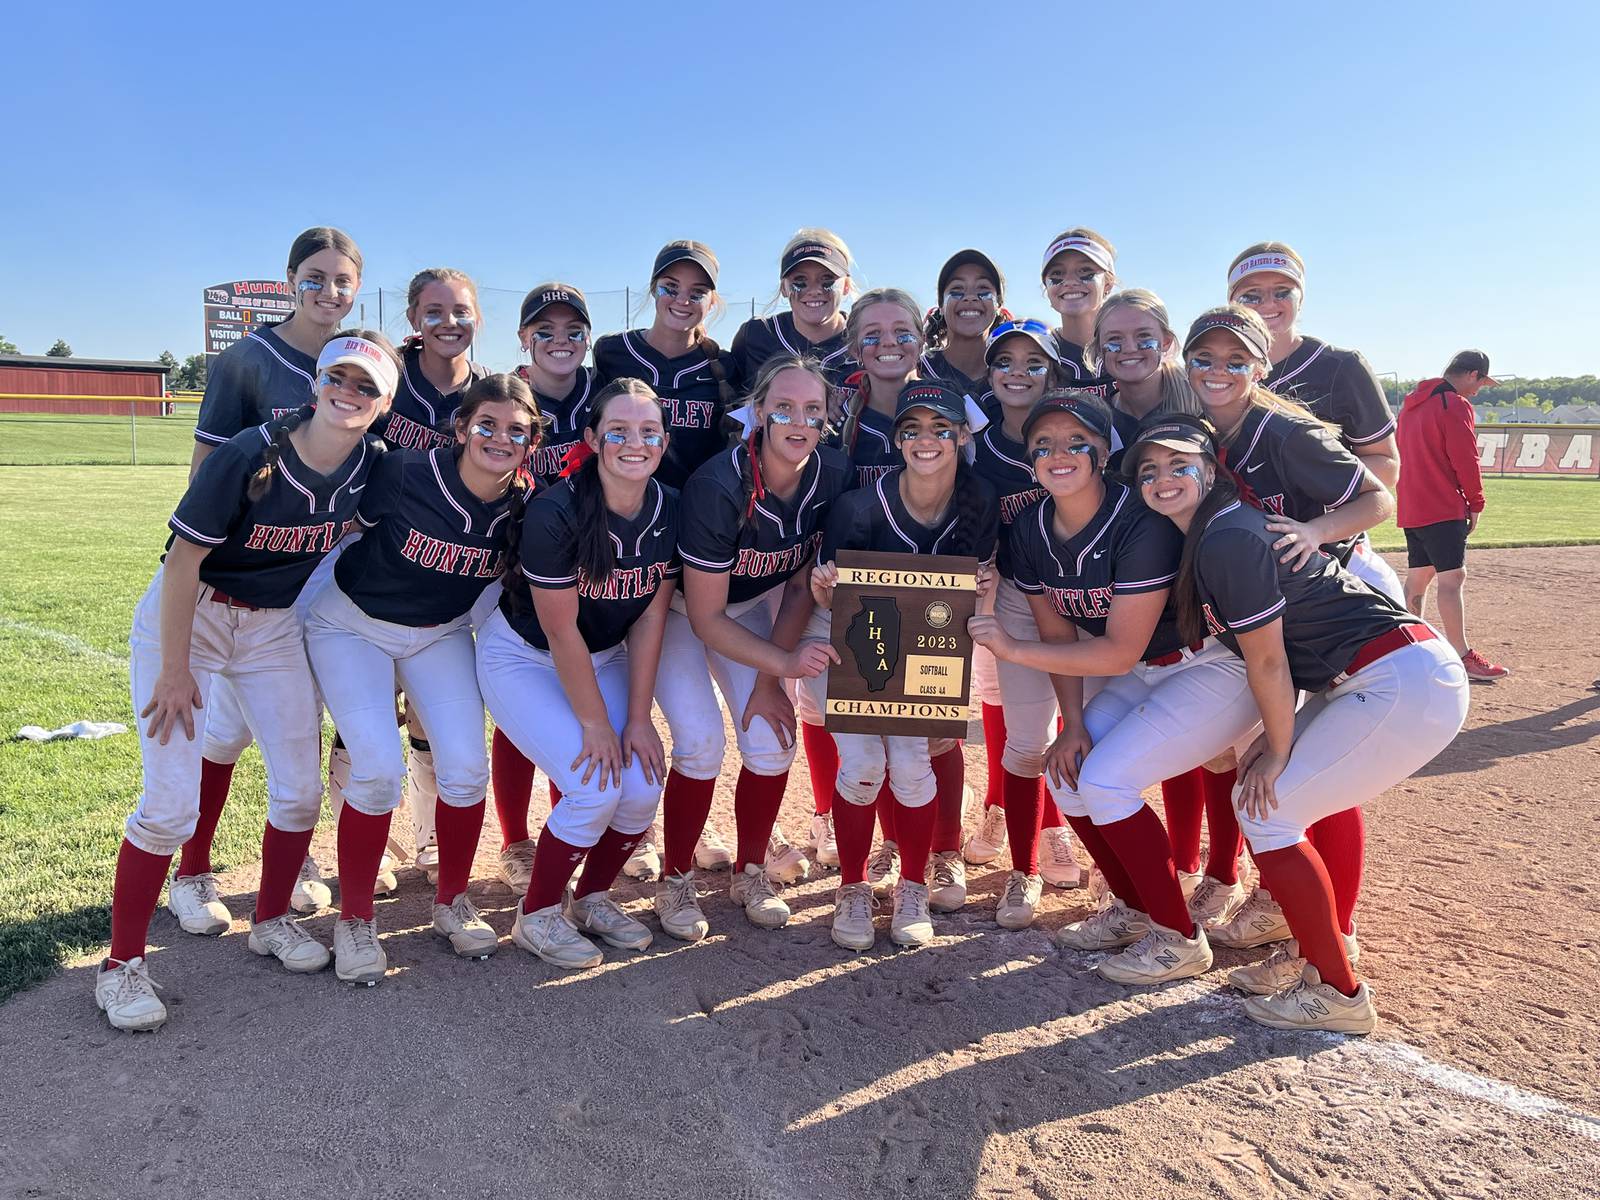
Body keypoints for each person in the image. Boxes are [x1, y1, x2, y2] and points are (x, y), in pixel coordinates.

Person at [96, 330, 396, 1031]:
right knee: (169, 806)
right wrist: (174, 670)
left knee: (299, 790)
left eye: (367, 387)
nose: (349, 395)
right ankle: (121, 967)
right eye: (340, 379)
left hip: (270, 626)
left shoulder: (373, 465)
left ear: (382, 406)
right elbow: (180, 565)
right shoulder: (251, 453)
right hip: (191, 619)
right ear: (316, 382)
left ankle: (269, 919)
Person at [1133, 412, 1468, 1032]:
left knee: (1269, 808)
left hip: (1400, 680)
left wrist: (1280, 747)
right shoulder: (1213, 534)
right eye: (1149, 470)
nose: (1164, 478)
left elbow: (1265, 658)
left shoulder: (1226, 537)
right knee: (1260, 797)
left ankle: (1338, 991)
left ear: (1212, 472)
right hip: (1370, 676)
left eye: (1181, 464)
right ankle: (1316, 960)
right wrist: (1275, 734)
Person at [969, 394, 1259, 984]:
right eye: (1043, 445)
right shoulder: (1030, 527)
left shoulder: (1139, 519)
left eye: (1077, 442)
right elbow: (1058, 633)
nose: (1059, 454)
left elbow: (1117, 650)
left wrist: (1011, 648)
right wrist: (1071, 724)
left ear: (1103, 452)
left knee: (1106, 779)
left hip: (1210, 667)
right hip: (1149, 670)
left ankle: (1179, 939)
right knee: (1065, 772)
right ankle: (1133, 908)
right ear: (1029, 460)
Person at [303, 374, 540, 982]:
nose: (499, 438)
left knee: (463, 767)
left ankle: (451, 902)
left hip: (437, 631)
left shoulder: (522, 503)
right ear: (460, 427)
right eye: (486, 424)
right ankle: (354, 918)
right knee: (378, 768)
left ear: (532, 441)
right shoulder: (405, 472)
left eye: (517, 430)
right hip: (351, 624)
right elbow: (331, 525)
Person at [1181, 306, 1397, 958]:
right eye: (1205, 359)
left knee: (1320, 768)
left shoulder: (1284, 430)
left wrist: (1313, 532)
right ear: (1186, 365)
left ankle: (1341, 929)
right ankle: (1278, 899)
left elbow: (1378, 499)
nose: (1219, 371)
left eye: (1236, 360)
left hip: (1339, 605)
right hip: (1278, 613)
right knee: (1265, 762)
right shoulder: (1200, 433)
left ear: (1261, 366)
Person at [175, 227, 363, 926]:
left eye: (342, 281)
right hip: (247, 575)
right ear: (290, 280)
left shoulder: (360, 360)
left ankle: (297, 854)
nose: (329, 291)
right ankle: (192, 871)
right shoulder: (248, 361)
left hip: (321, 570)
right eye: (315, 277)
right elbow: (206, 471)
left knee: (295, 717)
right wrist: (208, 562)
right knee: (227, 727)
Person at [476, 378, 676, 970]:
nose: (634, 443)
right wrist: (595, 723)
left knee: (641, 779)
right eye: (618, 430)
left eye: (649, 431)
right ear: (592, 438)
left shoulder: (670, 505)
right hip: (525, 658)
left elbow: (649, 617)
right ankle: (536, 915)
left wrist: (637, 719)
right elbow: (561, 631)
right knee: (595, 783)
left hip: (606, 655)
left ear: (663, 442)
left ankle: (591, 899)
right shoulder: (556, 510)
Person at [652, 357, 850, 939]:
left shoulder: (833, 475)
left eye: (813, 410)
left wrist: (771, 682)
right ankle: (675, 877)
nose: (798, 421)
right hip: (683, 613)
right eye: (783, 407)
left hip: (763, 603)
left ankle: (750, 868)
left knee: (770, 742)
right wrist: (784, 664)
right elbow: (709, 617)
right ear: (758, 411)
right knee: (699, 741)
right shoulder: (720, 484)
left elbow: (798, 584)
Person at [807, 380, 999, 951]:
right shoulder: (860, 504)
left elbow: (970, 596)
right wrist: (824, 589)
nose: (927, 440)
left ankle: (913, 885)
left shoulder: (979, 498)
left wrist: (983, 587)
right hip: (855, 636)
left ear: (962, 437)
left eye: (942, 428)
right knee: (863, 764)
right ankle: (853, 885)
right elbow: (830, 600)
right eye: (912, 429)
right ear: (895, 440)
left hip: (927, 647)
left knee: (914, 763)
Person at [1086, 291, 1234, 912]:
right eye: (1112, 340)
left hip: (1213, 590)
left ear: (1167, 342)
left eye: (1144, 336)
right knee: (1175, 739)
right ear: (1096, 350)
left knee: (1224, 749)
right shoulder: (1097, 412)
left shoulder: (1199, 402)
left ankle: (1222, 874)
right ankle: (1177, 862)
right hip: (1146, 595)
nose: (1128, 350)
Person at [361, 267, 490, 891]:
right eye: (434, 311)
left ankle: (429, 835)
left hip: (447, 570)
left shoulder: (489, 391)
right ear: (413, 318)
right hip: (375, 561)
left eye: (461, 310)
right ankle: (373, 838)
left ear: (478, 318)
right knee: (371, 702)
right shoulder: (390, 379)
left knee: (427, 712)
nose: (449, 322)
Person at [958, 320, 1085, 924]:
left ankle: (1061, 831)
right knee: (1018, 721)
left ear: (1055, 371)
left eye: (1033, 362)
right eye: (1003, 360)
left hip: (1084, 591)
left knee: (1091, 722)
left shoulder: (1082, 425)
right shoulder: (975, 436)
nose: (1017, 371)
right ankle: (1020, 854)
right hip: (1007, 588)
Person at [490, 282, 598, 896]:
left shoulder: (599, 389)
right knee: (518, 709)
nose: (560, 341)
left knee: (576, 696)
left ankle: (571, 825)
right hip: (509, 564)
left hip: (585, 565)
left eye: (573, 331)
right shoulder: (508, 395)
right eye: (545, 331)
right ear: (524, 338)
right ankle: (515, 842)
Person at [1226, 242, 1403, 602]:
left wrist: (1314, 520)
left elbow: (1386, 465)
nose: (1267, 304)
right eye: (1251, 295)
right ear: (1232, 302)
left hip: (1332, 551)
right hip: (1243, 553)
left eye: (1282, 292)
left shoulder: (1340, 367)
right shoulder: (1214, 372)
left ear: (1301, 298)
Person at [592, 241, 740, 491]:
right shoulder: (613, 351)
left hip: (695, 512)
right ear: (653, 289)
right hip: (621, 508)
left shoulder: (725, 366)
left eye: (697, 292)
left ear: (712, 302)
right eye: (670, 288)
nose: (683, 300)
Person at [1397, 352, 1507, 680]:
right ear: (1472, 374)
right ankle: (1461, 655)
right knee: (1452, 579)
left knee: (1419, 577)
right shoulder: (1454, 404)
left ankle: (1408, 647)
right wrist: (1476, 502)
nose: (1479, 390)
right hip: (1442, 505)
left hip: (1412, 504)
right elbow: (1466, 458)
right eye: (1480, 382)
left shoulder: (1411, 405)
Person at [730, 230, 857, 386]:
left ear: (846, 286)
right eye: (800, 280)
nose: (815, 290)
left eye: (827, 279)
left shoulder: (865, 339)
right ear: (784, 287)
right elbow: (733, 402)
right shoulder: (756, 335)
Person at [920, 249, 1005, 395]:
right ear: (941, 306)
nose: (970, 297)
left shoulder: (1014, 374)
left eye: (983, 288)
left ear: (998, 305)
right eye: (957, 288)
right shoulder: (917, 370)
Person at [1039, 229, 1117, 378]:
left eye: (1084, 270)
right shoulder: (1037, 350)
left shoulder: (1132, 347)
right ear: (1046, 287)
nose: (1069, 282)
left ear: (1108, 283)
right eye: (1057, 273)